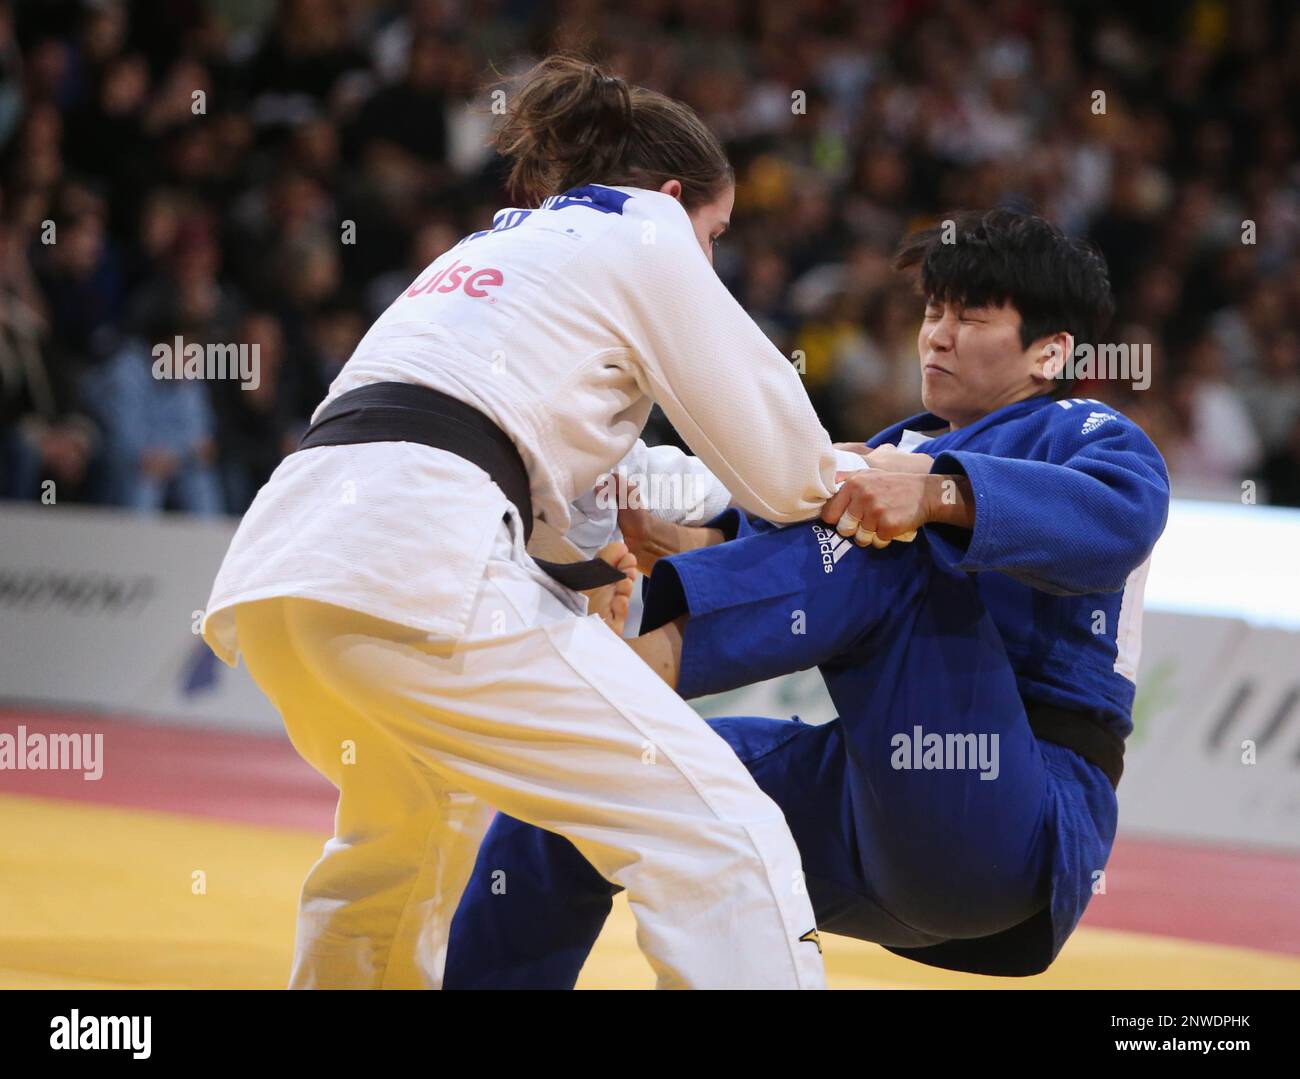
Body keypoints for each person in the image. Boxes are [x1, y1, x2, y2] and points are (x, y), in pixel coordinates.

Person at [200, 56, 843, 990]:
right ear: (673, 195)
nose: (712, 256)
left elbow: (600, 487)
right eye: (719, 230)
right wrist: (859, 477)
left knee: (399, 849)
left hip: (290, 567)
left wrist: (651, 533)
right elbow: (783, 468)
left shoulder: (490, 254)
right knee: (720, 836)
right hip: (416, 560)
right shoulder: (648, 229)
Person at [442, 209, 1171, 987]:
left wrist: (937, 496)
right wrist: (683, 543)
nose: (938, 335)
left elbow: (1122, 518)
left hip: (1013, 820)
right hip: (874, 803)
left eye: (972, 316)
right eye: (933, 311)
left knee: (886, 530)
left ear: (1051, 351)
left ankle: (658, 650)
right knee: (584, 783)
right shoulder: (905, 445)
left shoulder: (1086, 431)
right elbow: (789, 537)